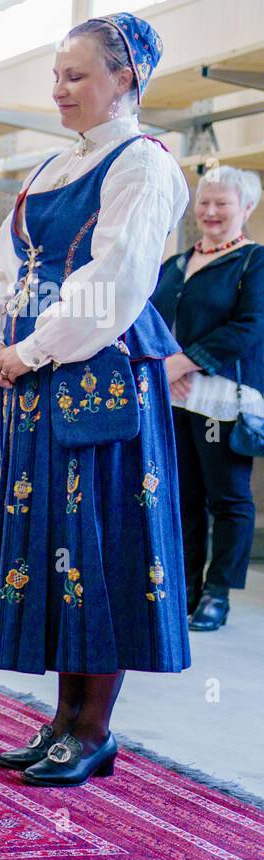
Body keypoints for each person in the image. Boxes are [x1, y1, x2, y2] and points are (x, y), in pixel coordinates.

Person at [0, 13, 190, 786]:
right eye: (56, 75)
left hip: (94, 381)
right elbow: (0, 264)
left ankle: (92, 728)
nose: (58, 90)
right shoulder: (52, 167)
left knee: (99, 541)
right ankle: (63, 720)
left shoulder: (144, 165)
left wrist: (27, 350)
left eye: (76, 75)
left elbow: (116, 285)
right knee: (55, 540)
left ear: (125, 79)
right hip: (35, 381)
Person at [151, 165, 264, 631]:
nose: (211, 212)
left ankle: (218, 593)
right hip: (172, 395)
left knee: (228, 497)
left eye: (223, 203)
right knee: (184, 497)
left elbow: (250, 325)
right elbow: (149, 320)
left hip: (221, 396)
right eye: (205, 202)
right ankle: (187, 588)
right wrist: (164, 363)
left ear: (247, 209)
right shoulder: (174, 265)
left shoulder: (253, 261)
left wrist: (186, 362)